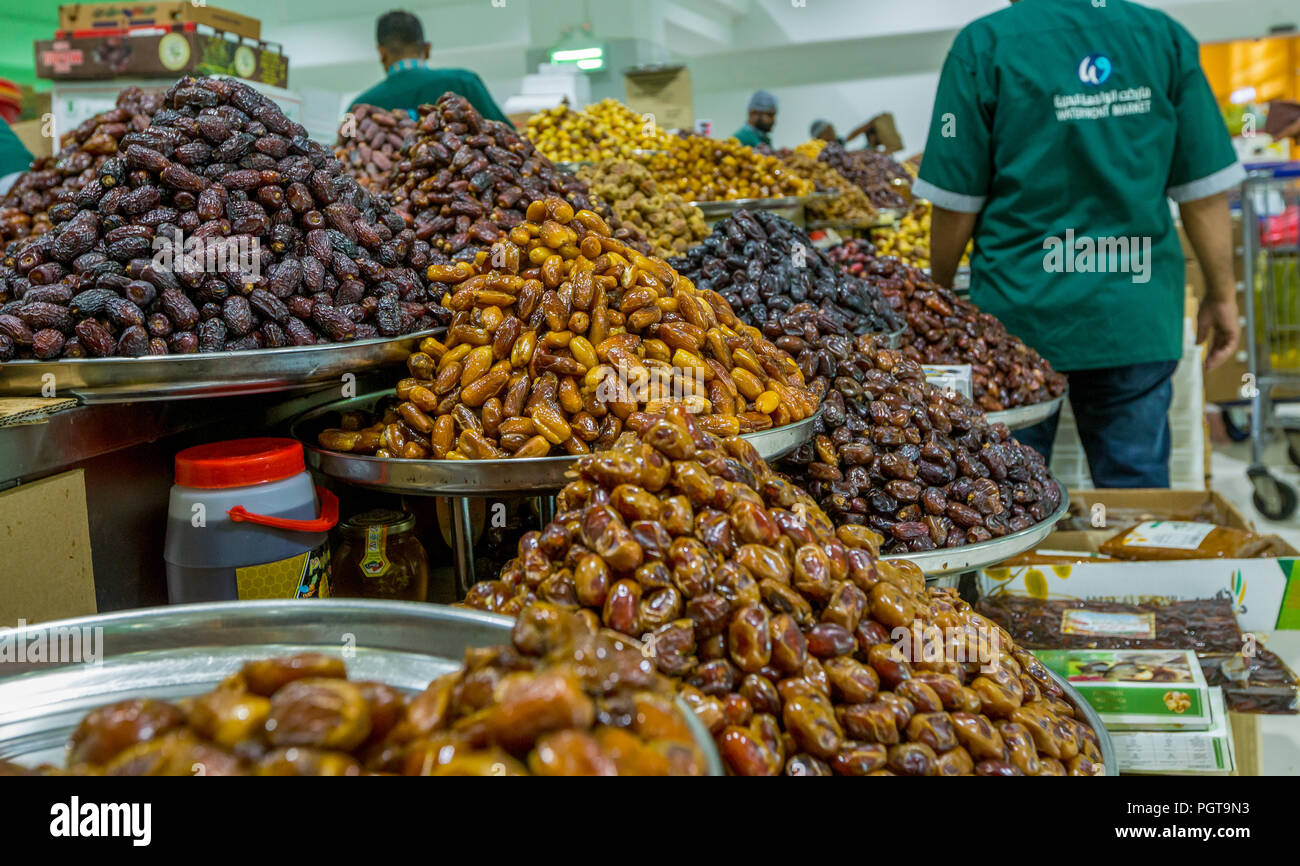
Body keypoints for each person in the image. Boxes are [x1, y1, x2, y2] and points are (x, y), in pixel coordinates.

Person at [913, 0, 1242, 488]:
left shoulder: (984, 45)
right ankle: (1135, 562)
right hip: (1133, 313)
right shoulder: (1163, 38)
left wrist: (935, 294)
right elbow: (1203, 193)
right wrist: (1222, 294)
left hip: (1018, 321)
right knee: (1135, 492)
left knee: (1010, 499)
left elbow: (956, 202)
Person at [349, 10, 508, 123]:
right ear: (427, 49)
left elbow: (339, 158)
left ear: (381, 52)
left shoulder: (360, 106)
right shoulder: (464, 82)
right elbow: (507, 138)